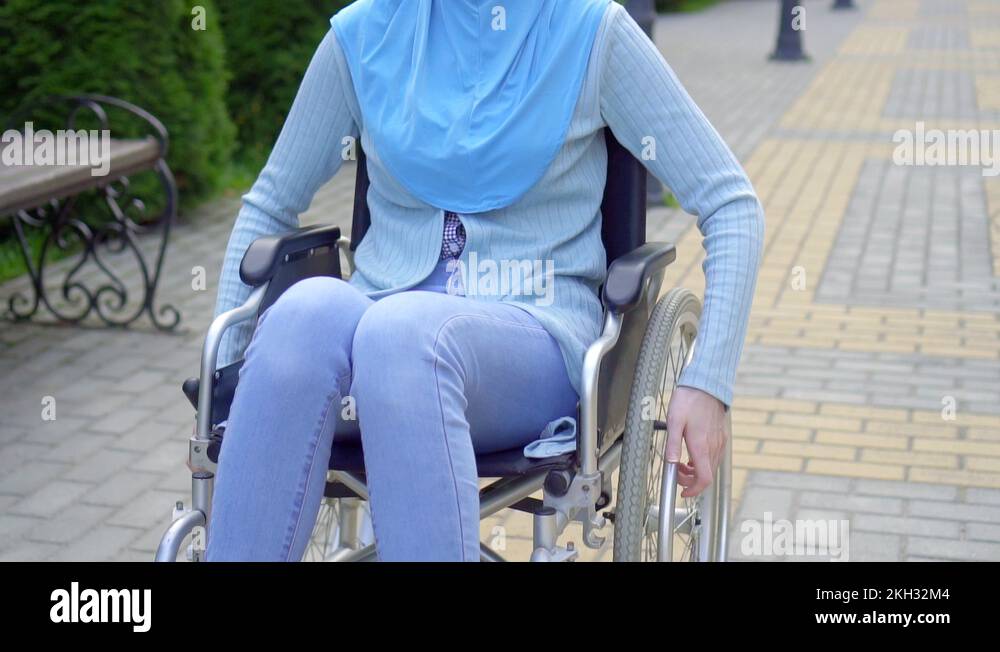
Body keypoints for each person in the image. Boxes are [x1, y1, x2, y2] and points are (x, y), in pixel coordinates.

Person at [207, 0, 764, 562]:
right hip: (377, 313)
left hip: (531, 332)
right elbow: (271, 203)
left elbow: (731, 204)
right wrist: (222, 373)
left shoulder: (591, 32)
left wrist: (708, 382)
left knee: (400, 334)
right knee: (300, 315)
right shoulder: (365, 33)